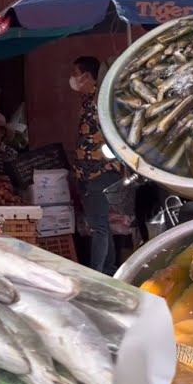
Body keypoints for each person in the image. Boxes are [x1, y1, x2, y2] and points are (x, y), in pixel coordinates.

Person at [71, 55, 124, 274]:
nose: (73, 79)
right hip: (89, 173)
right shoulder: (89, 101)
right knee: (102, 225)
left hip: (99, 172)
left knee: (98, 227)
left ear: (87, 76)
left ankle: (97, 273)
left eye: (76, 74)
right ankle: (108, 269)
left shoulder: (100, 102)